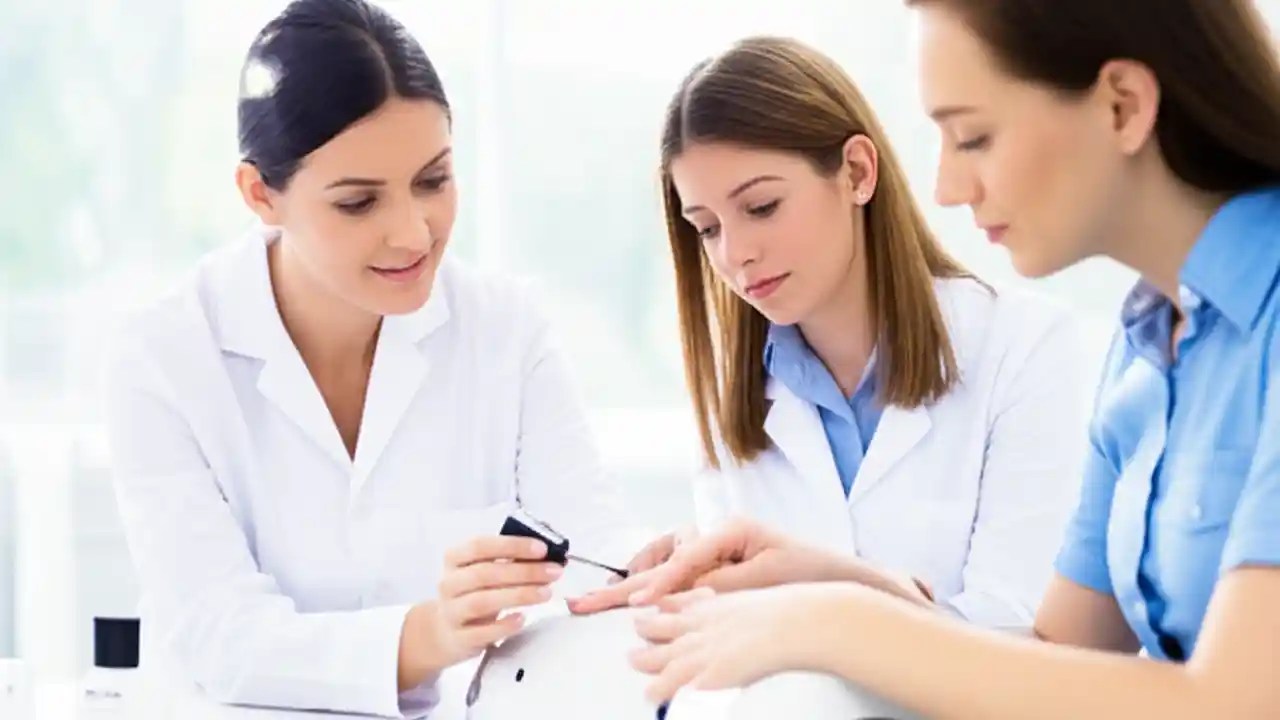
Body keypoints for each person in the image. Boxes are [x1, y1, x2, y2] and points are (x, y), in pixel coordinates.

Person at [625, 1, 1280, 717]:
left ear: (1122, 106)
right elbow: (1052, 662)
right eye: (707, 228)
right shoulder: (1147, 349)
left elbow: (1234, 699)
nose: (945, 189)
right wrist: (828, 581)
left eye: (973, 137)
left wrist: (829, 620)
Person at [103, 1, 625, 716]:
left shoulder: (506, 331)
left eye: (434, 181)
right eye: (357, 203)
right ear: (262, 195)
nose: (413, 234)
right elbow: (222, 638)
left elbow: (594, 572)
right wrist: (432, 632)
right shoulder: (163, 356)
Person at [569, 36, 1090, 629]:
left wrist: (825, 582)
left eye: (761, 207)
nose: (737, 254)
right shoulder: (732, 397)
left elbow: (1021, 646)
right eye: (707, 228)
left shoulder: (1023, 348)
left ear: (857, 173)